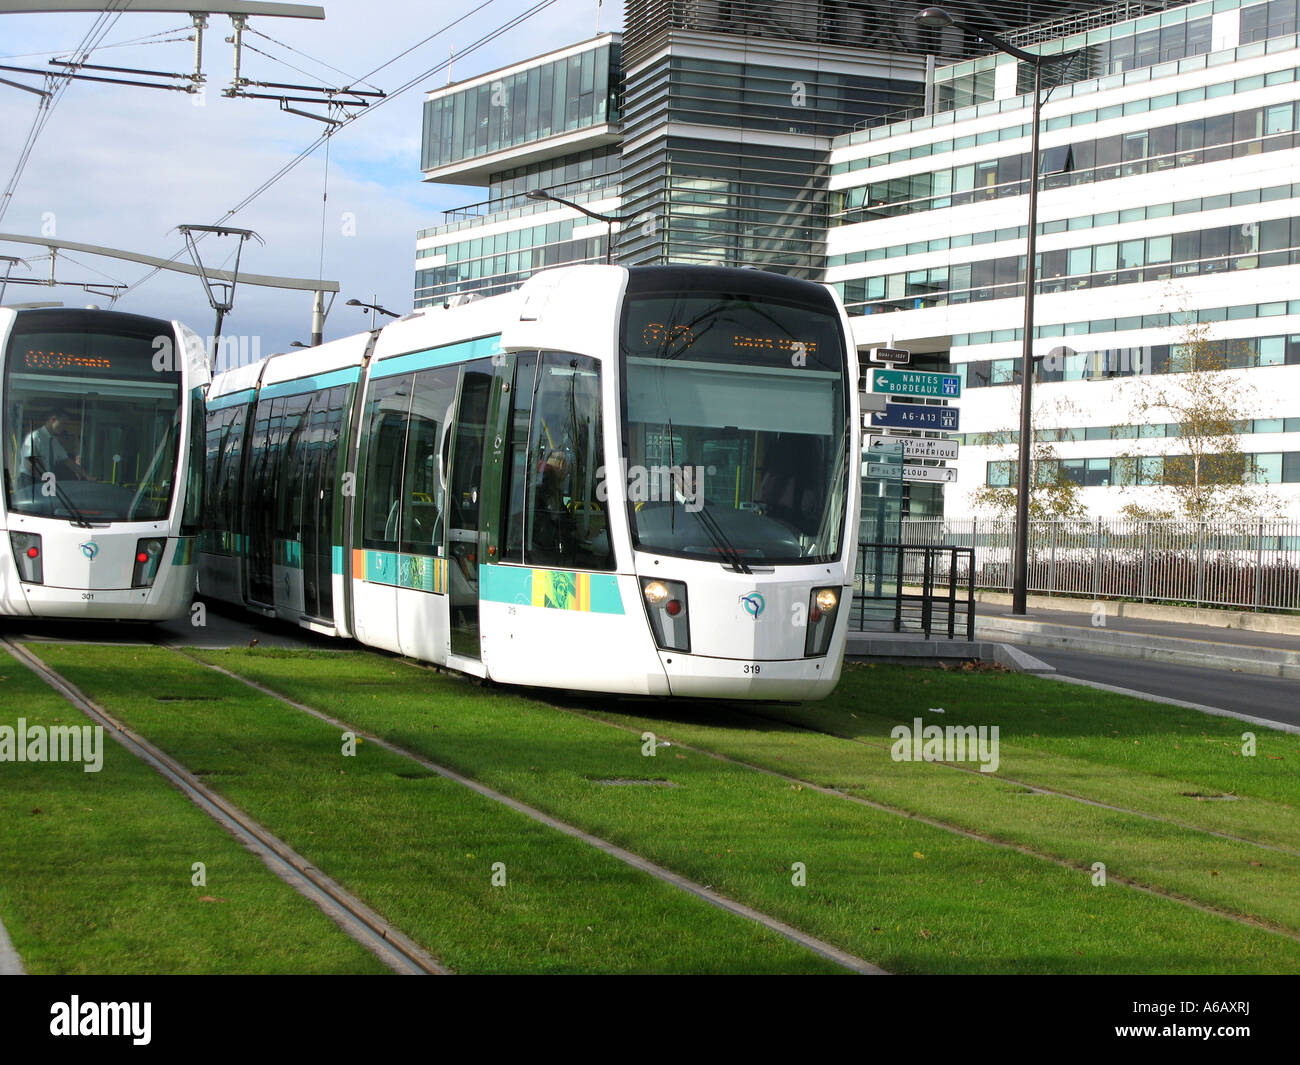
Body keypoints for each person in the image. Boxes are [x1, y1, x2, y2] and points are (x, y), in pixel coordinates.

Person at [20, 408, 90, 483]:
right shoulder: (35, 437)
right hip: (30, 481)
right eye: (63, 423)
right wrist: (45, 479)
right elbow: (29, 466)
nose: (64, 427)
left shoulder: (54, 442)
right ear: (53, 419)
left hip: (44, 481)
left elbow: (68, 461)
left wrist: (87, 476)